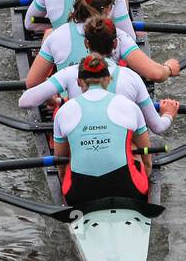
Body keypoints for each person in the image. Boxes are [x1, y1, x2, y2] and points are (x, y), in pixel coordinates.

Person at [19, 16, 179, 136]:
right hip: (119, 151)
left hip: (80, 139)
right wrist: (168, 114)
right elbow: (158, 127)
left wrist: (55, 100)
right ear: (116, 44)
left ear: (86, 44)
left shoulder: (69, 73)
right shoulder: (131, 77)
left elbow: (26, 101)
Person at [51, 55, 158, 204]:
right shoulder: (129, 106)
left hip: (78, 194)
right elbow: (147, 162)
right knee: (135, 149)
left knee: (71, 155)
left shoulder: (64, 111)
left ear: (79, 82)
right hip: (129, 191)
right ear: (109, 79)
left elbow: (61, 165)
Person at [26, 0, 180, 86]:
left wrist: (52, 99)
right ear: (107, 9)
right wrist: (168, 68)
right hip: (111, 107)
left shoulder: (55, 35)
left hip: (70, 108)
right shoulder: (118, 36)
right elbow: (155, 74)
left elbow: (32, 83)